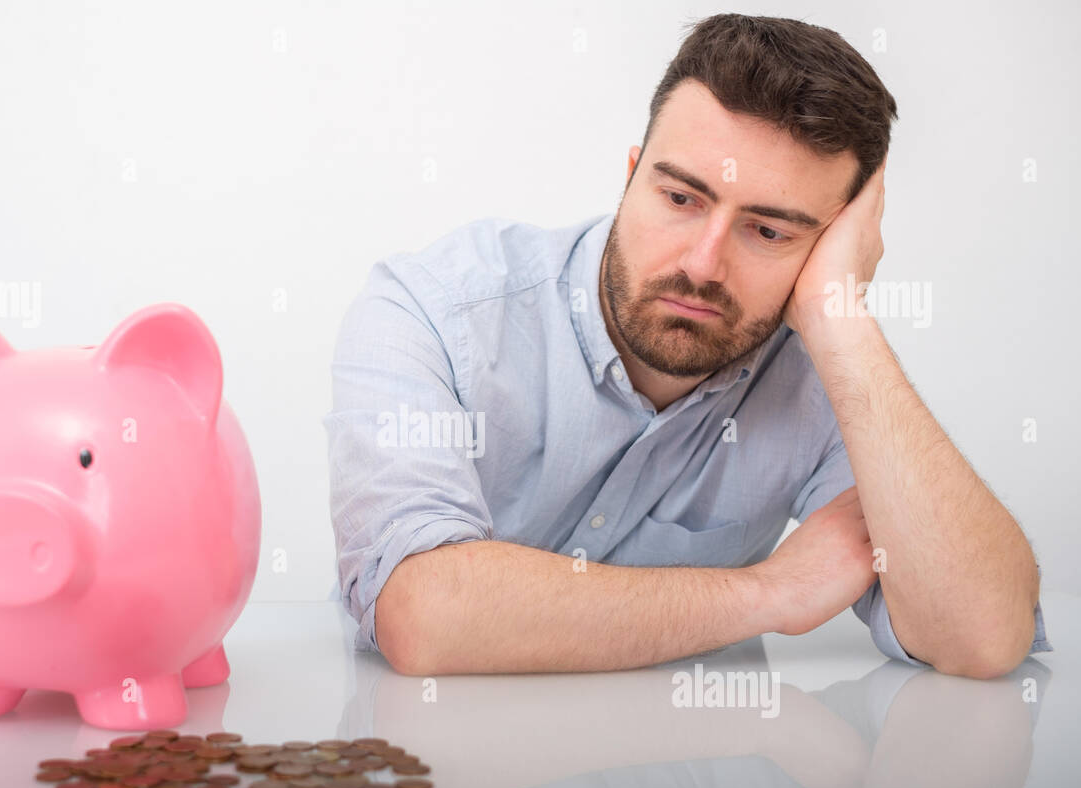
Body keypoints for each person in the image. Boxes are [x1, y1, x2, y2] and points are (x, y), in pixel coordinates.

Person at [323, 13, 1051, 677]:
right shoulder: (431, 313)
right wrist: (767, 594)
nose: (703, 264)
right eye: (680, 198)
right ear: (633, 172)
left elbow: (981, 637)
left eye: (769, 231)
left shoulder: (823, 380)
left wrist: (842, 319)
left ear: (831, 247)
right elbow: (427, 618)